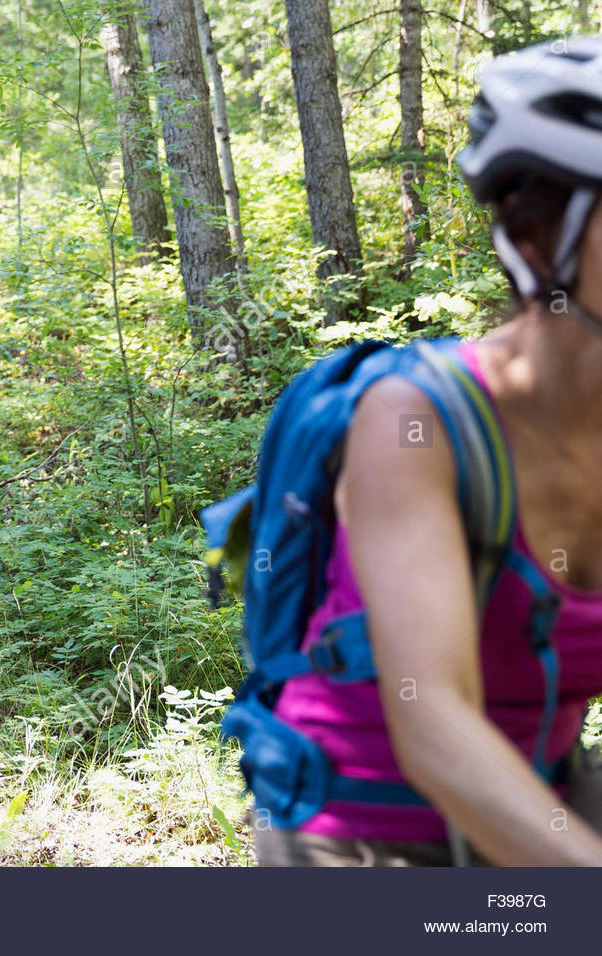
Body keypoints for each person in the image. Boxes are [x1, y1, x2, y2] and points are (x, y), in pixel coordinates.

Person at [253, 38, 602, 866]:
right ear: (544, 235)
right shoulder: (417, 420)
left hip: (543, 796)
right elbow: (435, 724)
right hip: (360, 838)